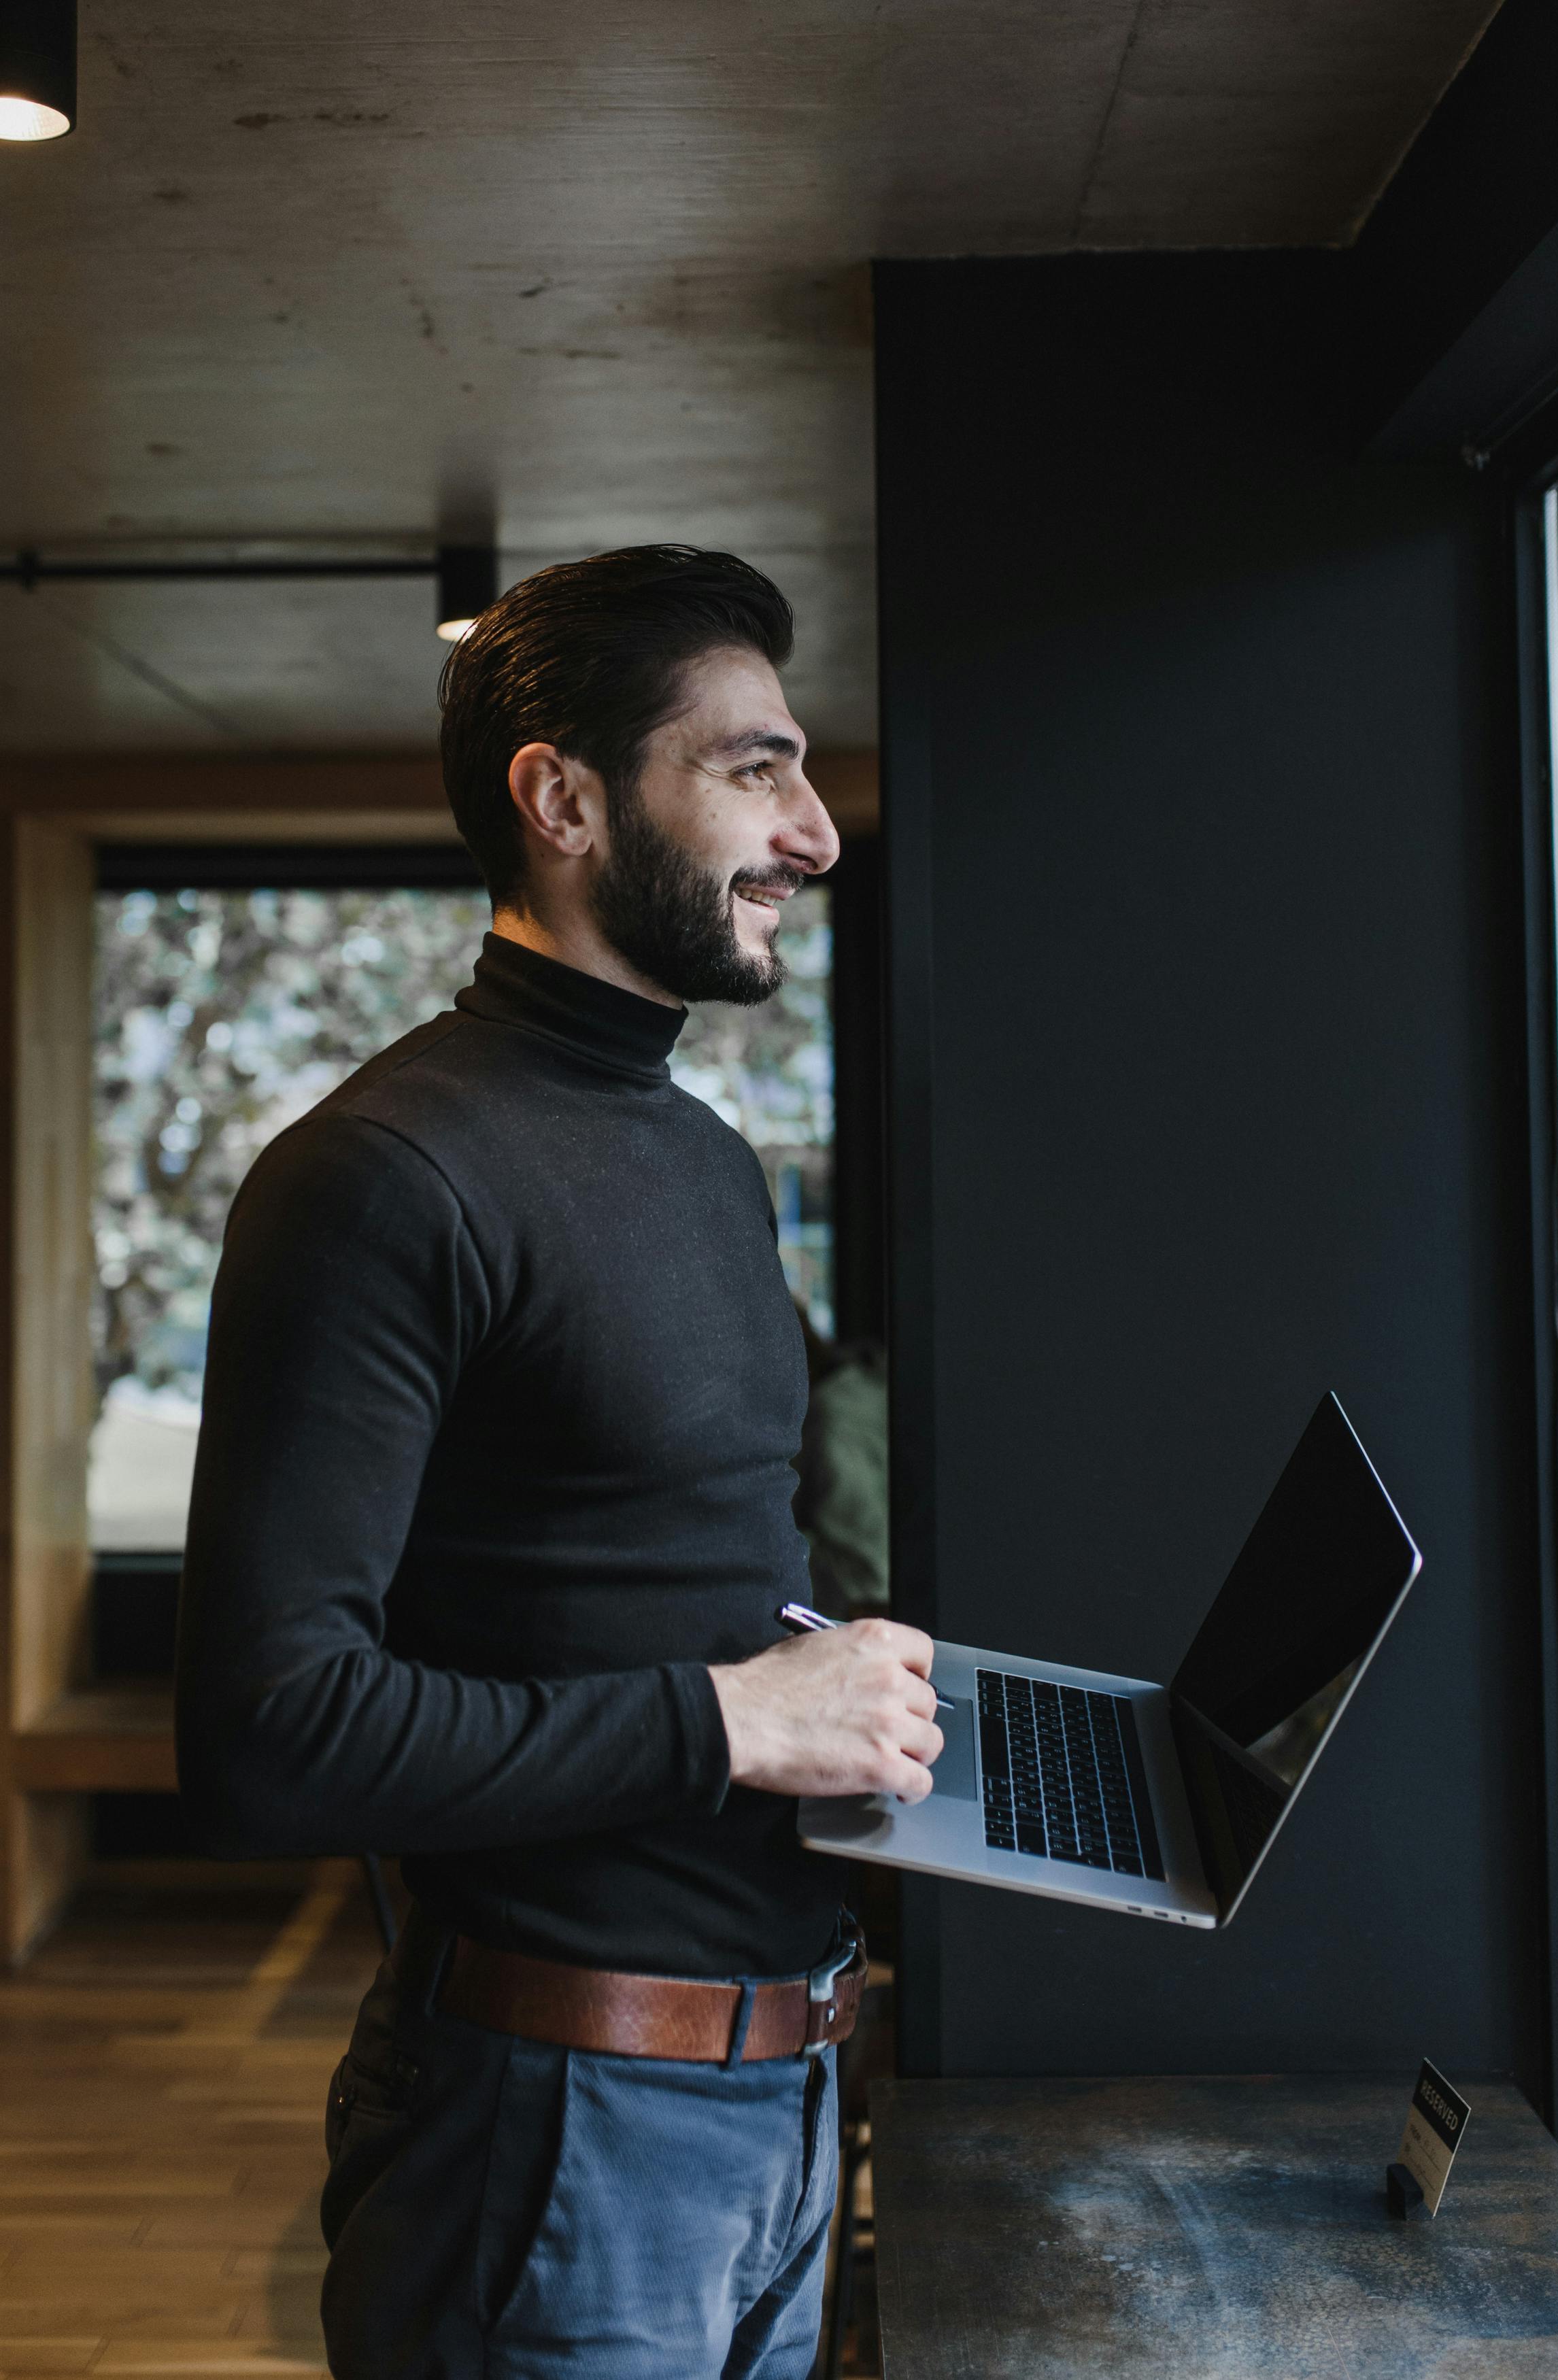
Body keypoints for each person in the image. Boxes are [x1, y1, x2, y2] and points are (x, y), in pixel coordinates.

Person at [174, 545, 943, 2380]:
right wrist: (740, 1720)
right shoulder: (379, 1181)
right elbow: (267, 1735)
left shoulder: (705, 1162)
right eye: (754, 768)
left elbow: (660, 1578)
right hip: (559, 2134)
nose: (814, 833)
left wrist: (867, 1707)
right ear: (567, 797)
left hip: (778, 2106)